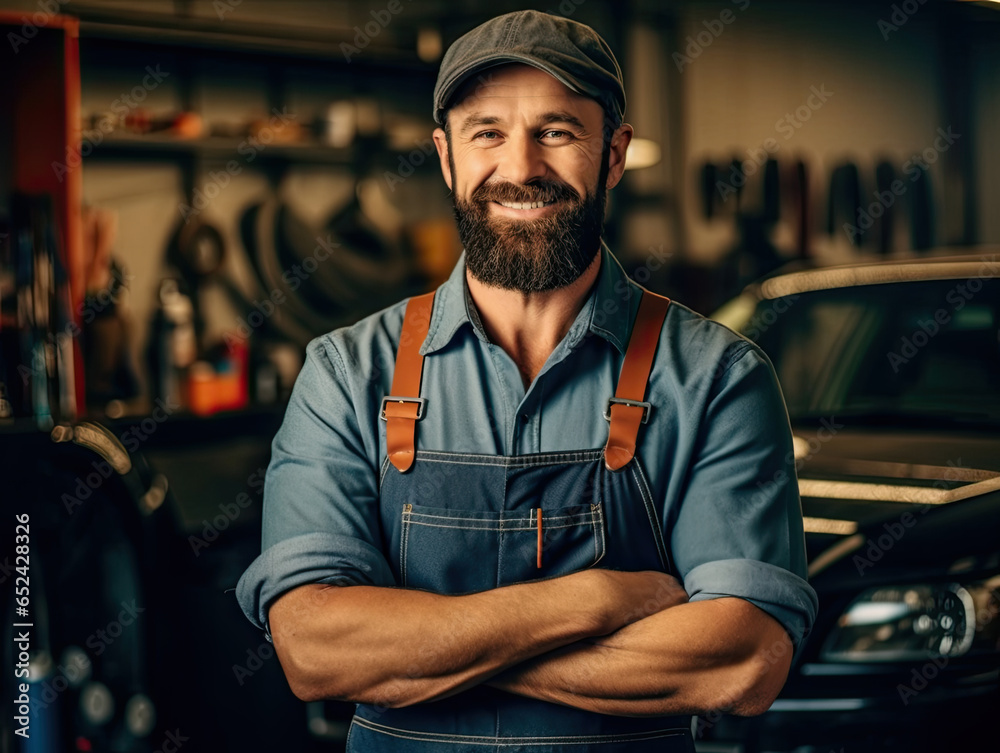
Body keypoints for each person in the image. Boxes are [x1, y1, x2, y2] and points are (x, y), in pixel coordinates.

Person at [236, 10, 817, 752]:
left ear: (613, 155)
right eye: (487, 132)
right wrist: (593, 599)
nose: (521, 168)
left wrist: (425, 656)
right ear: (446, 158)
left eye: (557, 131)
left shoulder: (716, 380)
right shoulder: (347, 376)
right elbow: (317, 649)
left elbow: (742, 659)